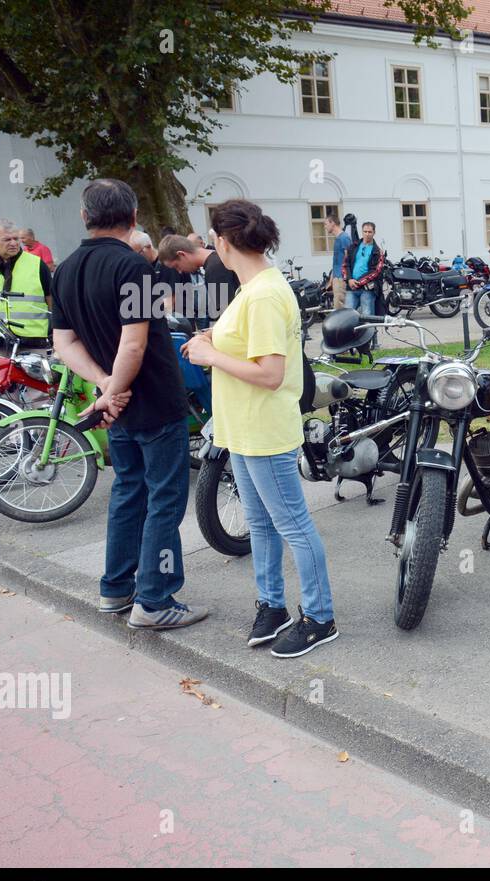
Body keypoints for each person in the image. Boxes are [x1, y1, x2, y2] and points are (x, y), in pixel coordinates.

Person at [182, 200, 339, 657]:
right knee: (261, 524)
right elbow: (245, 342)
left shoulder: (266, 293)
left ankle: (320, 617)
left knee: (292, 524)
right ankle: (273, 606)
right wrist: (212, 338)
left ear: (223, 242)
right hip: (243, 429)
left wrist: (211, 356)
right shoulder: (252, 288)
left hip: (264, 429)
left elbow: (271, 373)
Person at [50, 178, 206, 628]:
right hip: (154, 400)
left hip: (116, 406)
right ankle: (154, 601)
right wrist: (113, 388)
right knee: (164, 501)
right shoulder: (135, 268)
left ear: (84, 216)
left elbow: (64, 343)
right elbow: (135, 345)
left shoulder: (65, 269)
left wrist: (104, 387)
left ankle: (115, 589)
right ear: (134, 218)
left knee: (127, 493)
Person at [0, 218, 53, 366]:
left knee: (35, 389)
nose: (13, 243)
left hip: (33, 342)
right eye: (7, 239)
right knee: (1, 388)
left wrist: (59, 338)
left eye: (16, 239)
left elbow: (54, 304)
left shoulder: (37, 264)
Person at [157, 234, 238, 328]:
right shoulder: (216, 260)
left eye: (177, 266)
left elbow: (228, 315)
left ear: (181, 254)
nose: (179, 271)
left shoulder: (214, 269)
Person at [130, 230, 185, 316]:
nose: (134, 258)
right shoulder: (144, 266)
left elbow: (170, 302)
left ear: (148, 247)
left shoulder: (167, 264)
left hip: (177, 320)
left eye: (138, 254)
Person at [343, 220, 383, 316]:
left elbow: (376, 271)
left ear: (374, 233)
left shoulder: (378, 251)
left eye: (370, 232)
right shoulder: (353, 247)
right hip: (352, 287)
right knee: (347, 315)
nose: (367, 234)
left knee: (367, 316)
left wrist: (359, 282)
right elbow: (345, 264)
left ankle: (372, 331)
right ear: (362, 232)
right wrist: (349, 280)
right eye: (365, 231)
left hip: (367, 289)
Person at [324, 213, 350, 309]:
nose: (325, 227)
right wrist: (331, 279)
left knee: (340, 308)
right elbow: (336, 262)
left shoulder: (344, 238)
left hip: (341, 278)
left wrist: (343, 278)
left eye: (326, 224)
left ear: (333, 223)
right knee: (337, 306)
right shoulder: (338, 239)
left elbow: (348, 258)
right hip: (337, 277)